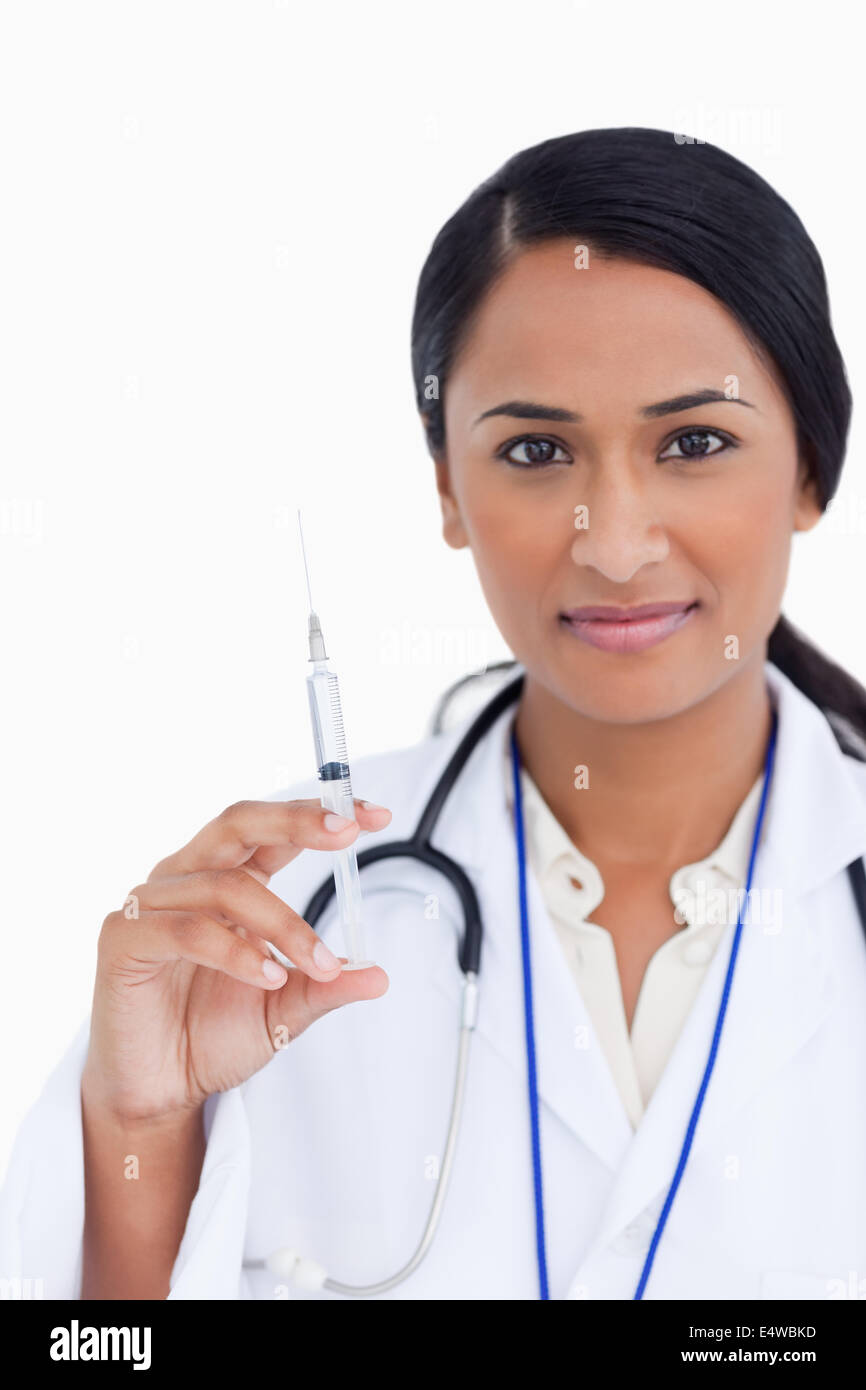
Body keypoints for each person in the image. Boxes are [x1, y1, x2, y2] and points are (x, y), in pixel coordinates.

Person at [3, 127, 866, 1302]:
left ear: (812, 466)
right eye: (533, 450)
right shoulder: (280, 917)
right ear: (448, 490)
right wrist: (140, 1123)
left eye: (693, 442)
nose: (612, 545)